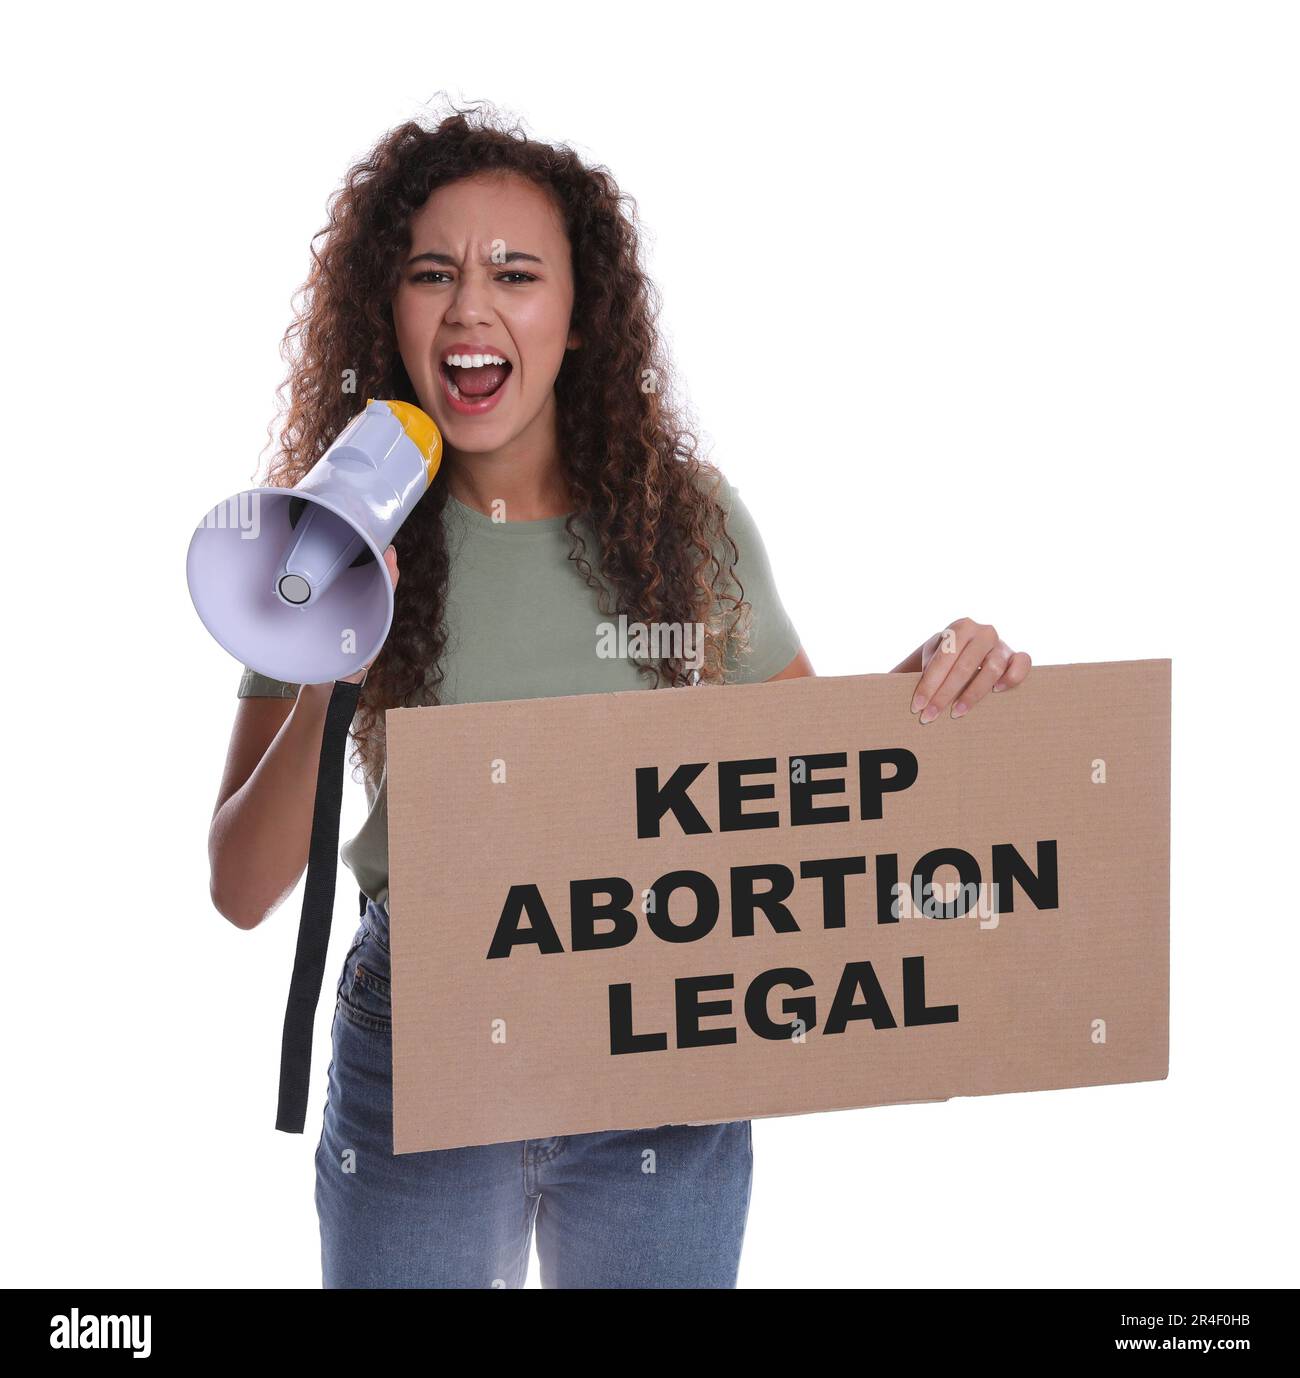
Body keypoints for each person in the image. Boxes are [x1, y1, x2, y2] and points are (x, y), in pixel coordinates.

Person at [207, 103, 1032, 1289]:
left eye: (516, 273)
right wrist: (328, 666)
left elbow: (815, 784)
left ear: (580, 316)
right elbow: (242, 888)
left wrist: (943, 682)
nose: (469, 308)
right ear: (386, 309)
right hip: (427, 1037)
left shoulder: (681, 523)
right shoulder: (322, 537)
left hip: (661, 1023)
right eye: (430, 272)